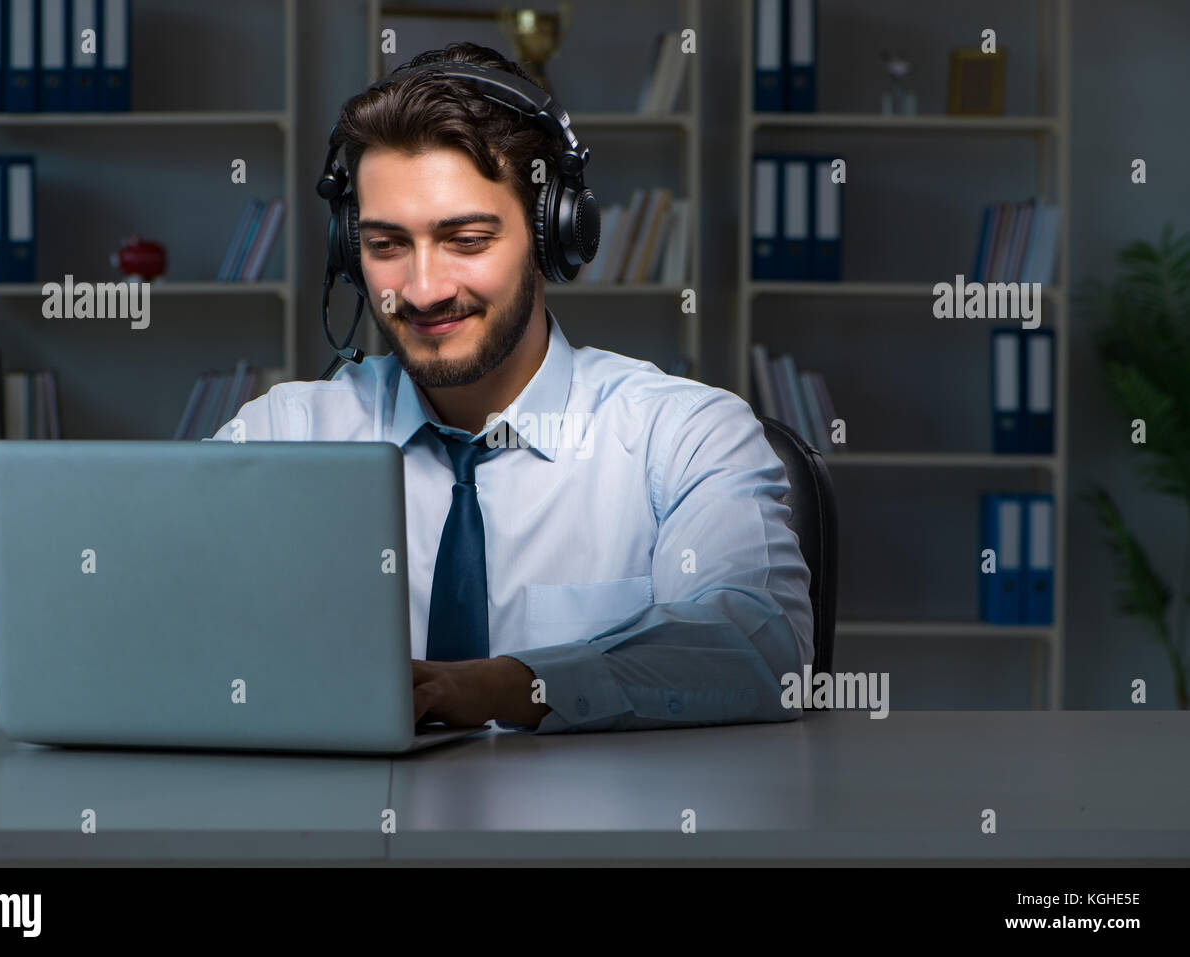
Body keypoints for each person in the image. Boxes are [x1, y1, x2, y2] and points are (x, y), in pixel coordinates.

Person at [210, 42, 813, 734]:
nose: (423, 289)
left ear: (553, 235)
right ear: (351, 254)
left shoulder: (682, 434)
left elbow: (762, 649)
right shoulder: (284, 436)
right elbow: (163, 613)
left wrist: (512, 685)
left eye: (466, 239)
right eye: (386, 245)